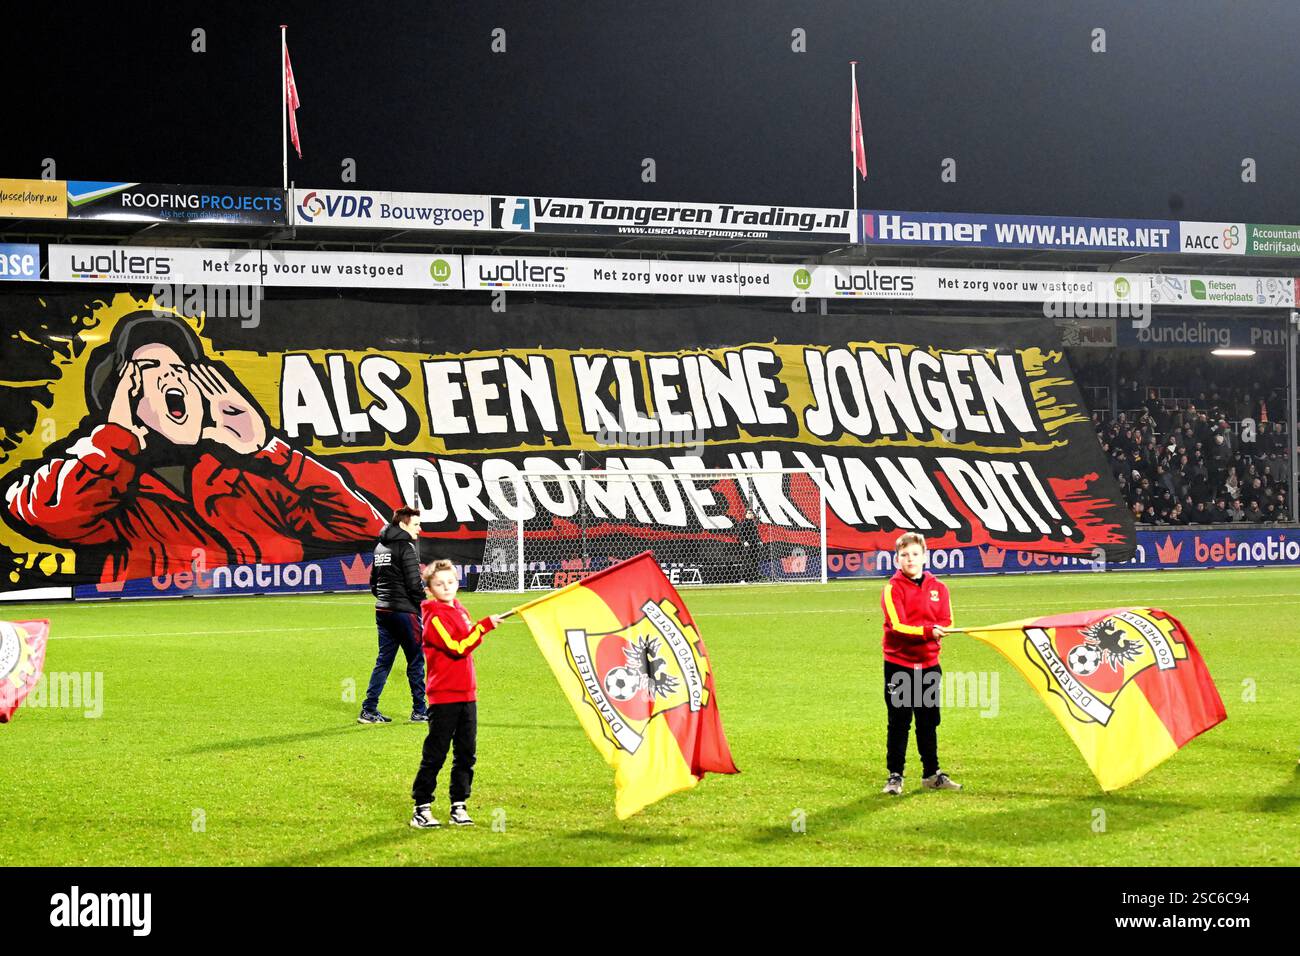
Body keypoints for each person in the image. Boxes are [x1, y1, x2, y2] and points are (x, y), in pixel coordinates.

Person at [2, 311, 384, 583]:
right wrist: (116, 434)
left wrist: (268, 448)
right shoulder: (111, 493)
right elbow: (47, 513)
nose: (173, 375)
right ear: (125, 399)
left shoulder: (252, 478)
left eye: (183, 369)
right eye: (149, 369)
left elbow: (366, 528)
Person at [409, 559, 502, 828]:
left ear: (457, 583)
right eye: (439, 584)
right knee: (436, 754)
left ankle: (459, 805)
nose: (446, 587)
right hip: (444, 697)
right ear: (429, 589)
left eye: (450, 582)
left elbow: (469, 637)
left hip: (467, 694)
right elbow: (458, 647)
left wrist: (480, 627)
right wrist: (484, 627)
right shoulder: (434, 616)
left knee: (466, 753)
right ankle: (421, 807)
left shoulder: (460, 609)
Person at [880, 532, 960, 795]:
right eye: (904, 555)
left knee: (928, 721)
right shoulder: (893, 588)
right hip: (899, 665)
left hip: (928, 665)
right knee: (900, 721)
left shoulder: (940, 588)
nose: (910, 559)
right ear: (897, 559)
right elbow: (898, 626)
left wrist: (940, 630)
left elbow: (947, 622)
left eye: (915, 554)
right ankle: (895, 776)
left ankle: (931, 774)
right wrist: (929, 631)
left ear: (924, 556)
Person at [360, 506, 429, 724]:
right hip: (404, 612)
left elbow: (374, 582)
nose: (420, 529)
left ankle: (368, 710)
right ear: (403, 524)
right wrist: (425, 604)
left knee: (384, 661)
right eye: (416, 524)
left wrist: (385, 598)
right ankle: (420, 710)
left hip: (383, 610)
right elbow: (413, 584)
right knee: (416, 660)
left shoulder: (380, 546)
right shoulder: (406, 547)